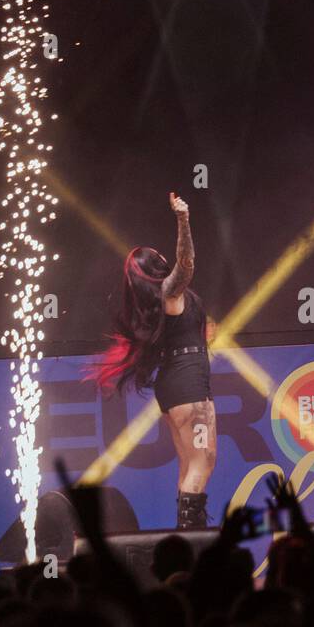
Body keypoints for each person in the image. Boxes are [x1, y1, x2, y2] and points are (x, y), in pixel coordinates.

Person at [89, 193, 216, 529]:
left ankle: (187, 539)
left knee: (189, 465)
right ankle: (192, 538)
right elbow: (186, 264)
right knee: (203, 462)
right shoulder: (169, 293)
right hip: (187, 383)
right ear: (155, 267)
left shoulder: (165, 301)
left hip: (176, 384)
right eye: (159, 256)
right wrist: (183, 219)